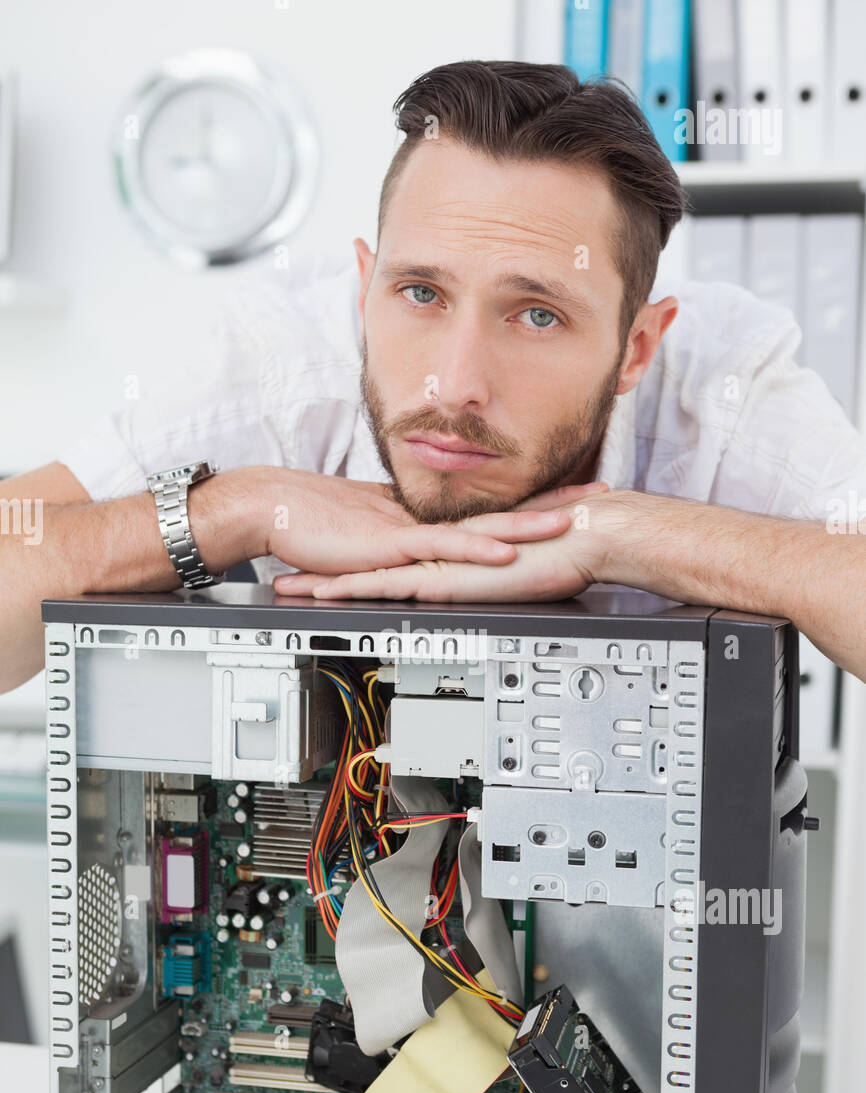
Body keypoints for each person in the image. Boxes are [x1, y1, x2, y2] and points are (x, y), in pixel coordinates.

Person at [2, 59, 865, 695]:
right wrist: (230, 507)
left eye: (537, 314)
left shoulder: (722, 387)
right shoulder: (282, 360)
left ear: (637, 349)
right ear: (364, 283)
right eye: (420, 292)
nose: (453, 388)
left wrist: (627, 534)